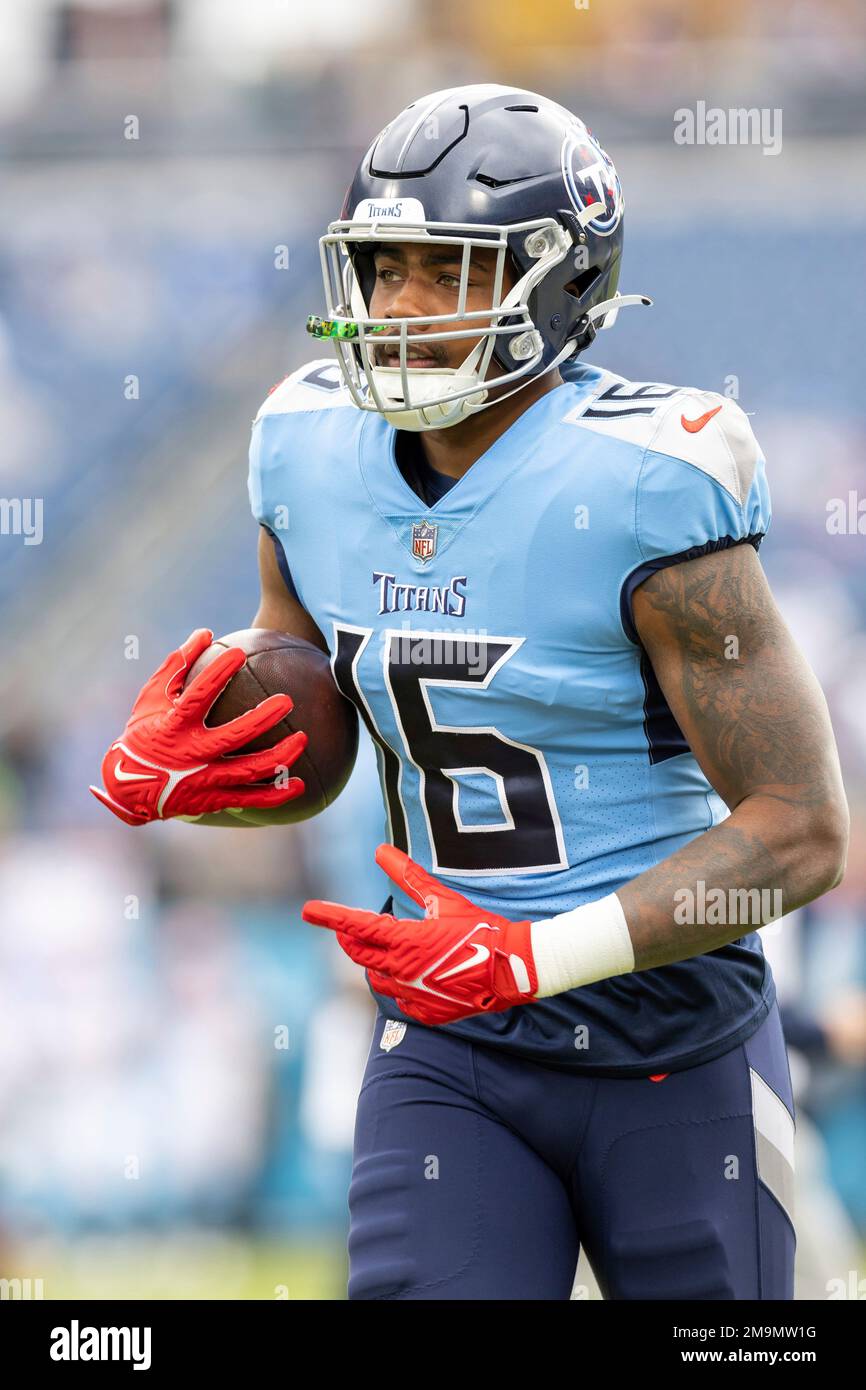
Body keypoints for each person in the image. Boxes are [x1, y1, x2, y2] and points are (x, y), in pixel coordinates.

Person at [91, 85, 849, 1300]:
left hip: (671, 1035)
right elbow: (316, 745)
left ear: (552, 278)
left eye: (439, 271)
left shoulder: (651, 480)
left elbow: (800, 832)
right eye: (379, 267)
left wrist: (529, 955)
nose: (394, 307)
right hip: (449, 1040)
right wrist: (209, 766)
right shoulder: (304, 448)